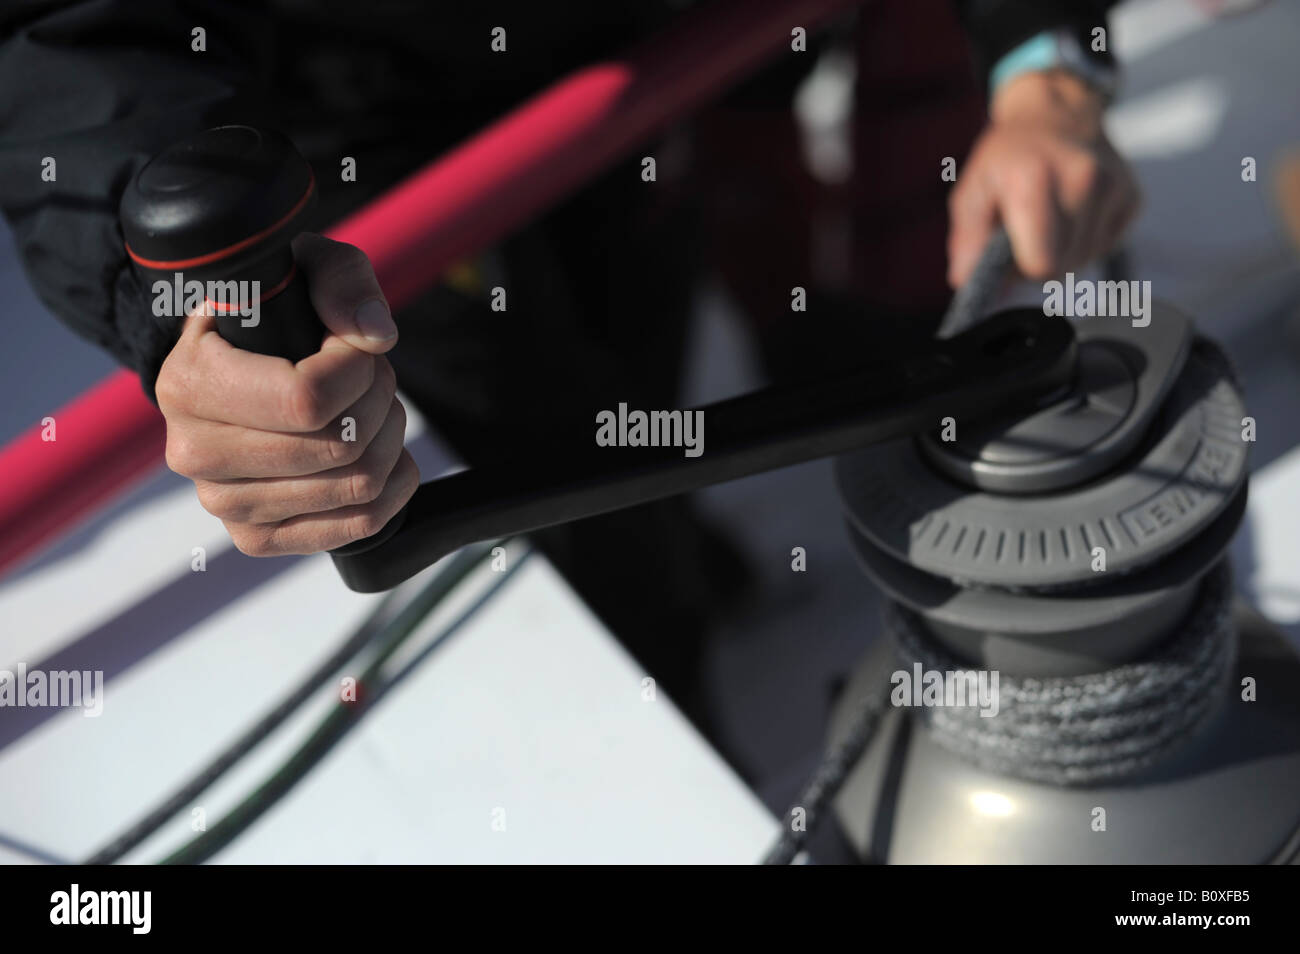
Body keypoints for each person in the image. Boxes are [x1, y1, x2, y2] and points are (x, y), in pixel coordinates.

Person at [0, 0, 1137, 725]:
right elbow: (62, 40)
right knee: (581, 534)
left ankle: (667, 577)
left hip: (631, 78)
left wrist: (1045, 58)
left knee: (639, 399)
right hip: (336, 154)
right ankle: (657, 672)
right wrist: (188, 301)